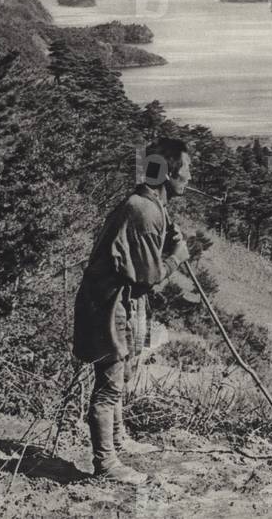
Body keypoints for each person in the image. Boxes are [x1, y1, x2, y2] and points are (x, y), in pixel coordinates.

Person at [73, 137, 192, 483]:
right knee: (109, 384)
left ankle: (119, 440)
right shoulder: (144, 209)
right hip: (109, 304)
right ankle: (106, 464)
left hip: (122, 300)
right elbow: (148, 277)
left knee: (123, 374)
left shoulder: (151, 204)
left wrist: (168, 233)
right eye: (186, 171)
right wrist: (177, 258)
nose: (190, 178)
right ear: (169, 173)